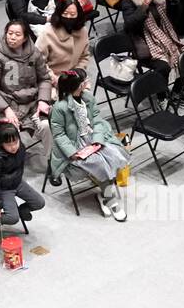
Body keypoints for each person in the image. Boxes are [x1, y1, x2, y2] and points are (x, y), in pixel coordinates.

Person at [48, 69, 128, 221]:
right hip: (75, 143)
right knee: (101, 163)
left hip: (92, 137)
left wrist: (97, 138)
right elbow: (59, 135)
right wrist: (72, 152)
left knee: (114, 154)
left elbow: (97, 118)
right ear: (78, 86)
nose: (88, 82)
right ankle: (109, 199)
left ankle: (105, 195)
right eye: (85, 81)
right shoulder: (60, 108)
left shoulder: (88, 98)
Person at [0, 20, 53, 177]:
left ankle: (52, 163)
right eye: (10, 33)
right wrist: (6, 110)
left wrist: (43, 100)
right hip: (9, 103)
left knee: (47, 126)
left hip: (33, 101)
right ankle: (7, 168)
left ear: (25, 37)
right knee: (9, 132)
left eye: (17, 34)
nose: (12, 37)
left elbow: (44, 79)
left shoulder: (34, 53)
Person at [0, 122, 46, 232]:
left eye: (15, 142)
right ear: (1, 143)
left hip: (16, 181)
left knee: (39, 203)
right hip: (3, 188)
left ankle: (20, 211)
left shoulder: (20, 146)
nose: (13, 147)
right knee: (12, 218)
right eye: (9, 144)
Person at [123, 0, 182, 78]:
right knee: (163, 68)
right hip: (147, 45)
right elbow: (129, 25)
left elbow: (177, 17)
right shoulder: (129, 1)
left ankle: (177, 91)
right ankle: (162, 95)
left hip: (168, 39)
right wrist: (143, 7)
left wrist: (172, 0)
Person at [38, 0, 93, 81]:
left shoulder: (82, 31)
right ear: (59, 14)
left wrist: (77, 73)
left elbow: (84, 56)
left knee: (85, 93)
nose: (68, 17)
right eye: (65, 13)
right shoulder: (48, 32)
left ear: (78, 15)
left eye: (72, 14)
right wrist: (54, 78)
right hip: (50, 78)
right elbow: (38, 61)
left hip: (74, 78)